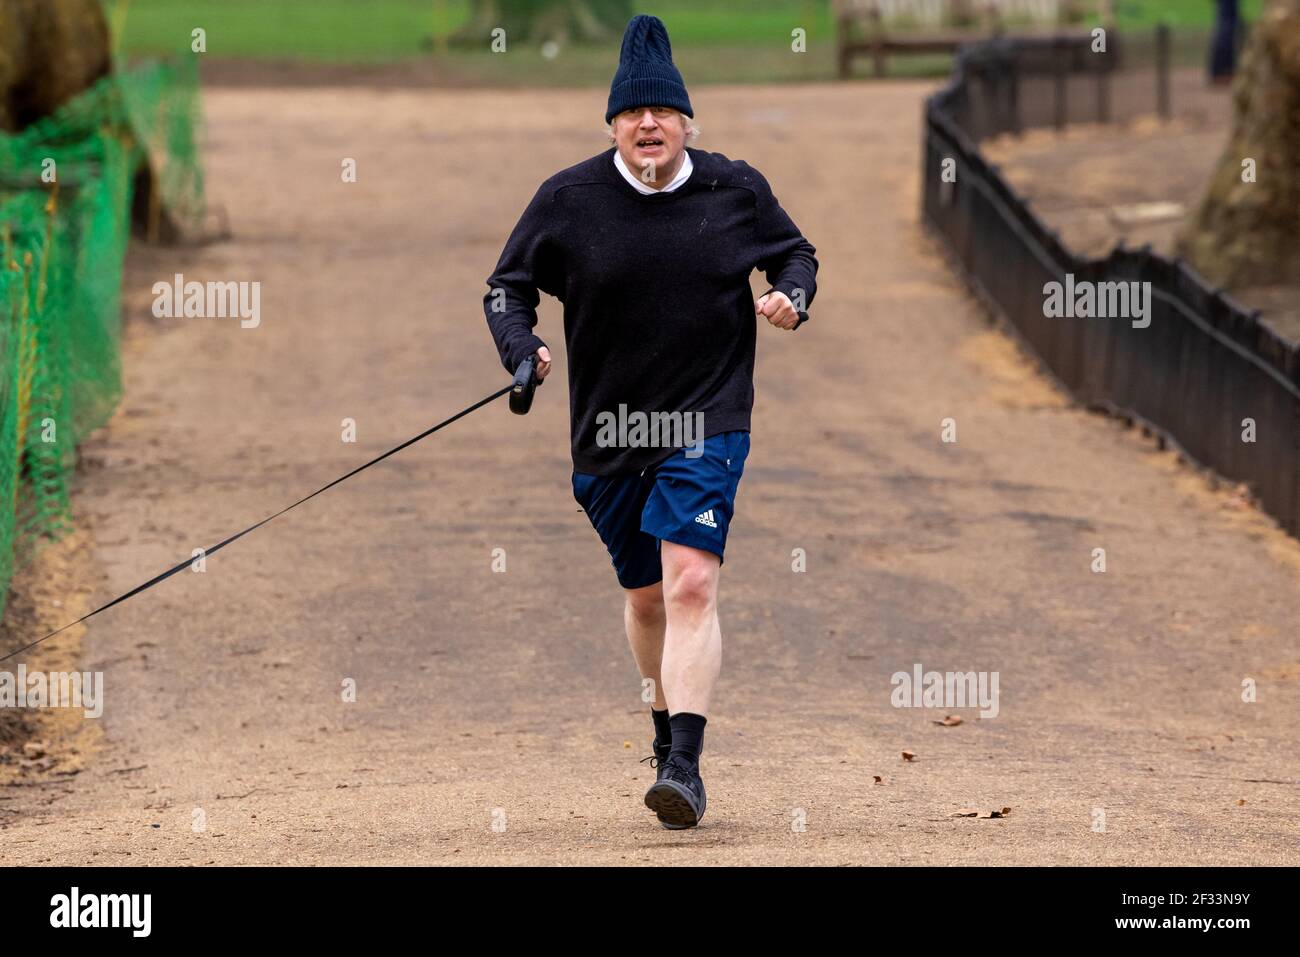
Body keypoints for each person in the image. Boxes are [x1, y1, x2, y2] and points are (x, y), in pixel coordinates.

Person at [483, 14, 818, 828]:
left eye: (662, 112)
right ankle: (664, 735)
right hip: (609, 432)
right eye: (633, 114)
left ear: (685, 121)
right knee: (646, 600)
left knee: (692, 580)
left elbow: (796, 252)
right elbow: (507, 287)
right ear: (613, 126)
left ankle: (687, 768)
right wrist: (520, 346)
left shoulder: (735, 189)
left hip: (706, 417)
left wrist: (791, 296)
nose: (648, 125)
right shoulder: (568, 199)